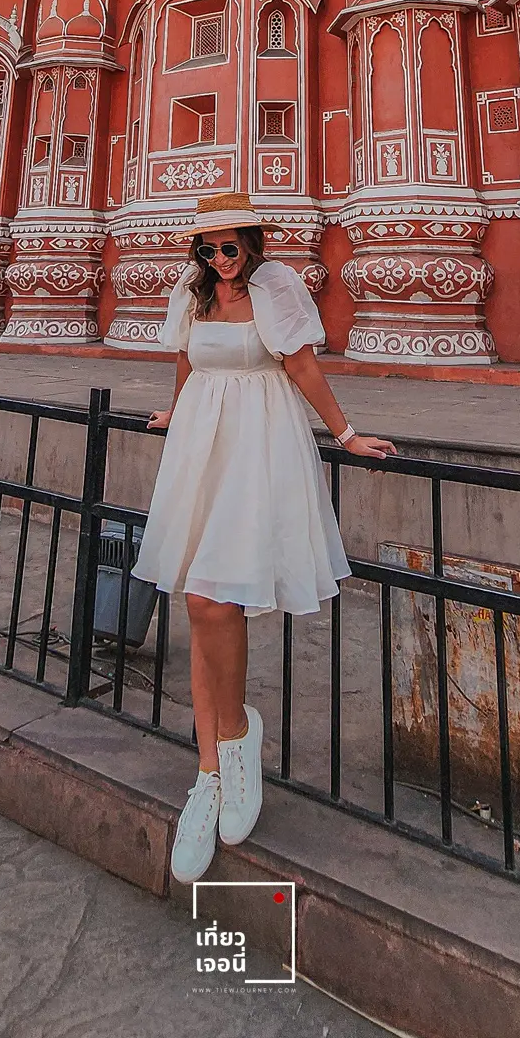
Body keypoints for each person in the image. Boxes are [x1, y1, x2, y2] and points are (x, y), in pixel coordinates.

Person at [131, 190, 396, 883]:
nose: (218, 260)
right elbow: (186, 360)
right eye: (207, 248)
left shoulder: (276, 285)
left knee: (214, 599)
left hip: (259, 440)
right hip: (202, 442)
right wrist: (175, 408)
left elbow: (301, 363)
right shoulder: (191, 291)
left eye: (229, 247)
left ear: (251, 242)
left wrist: (346, 434)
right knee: (195, 599)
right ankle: (212, 772)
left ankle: (236, 736)